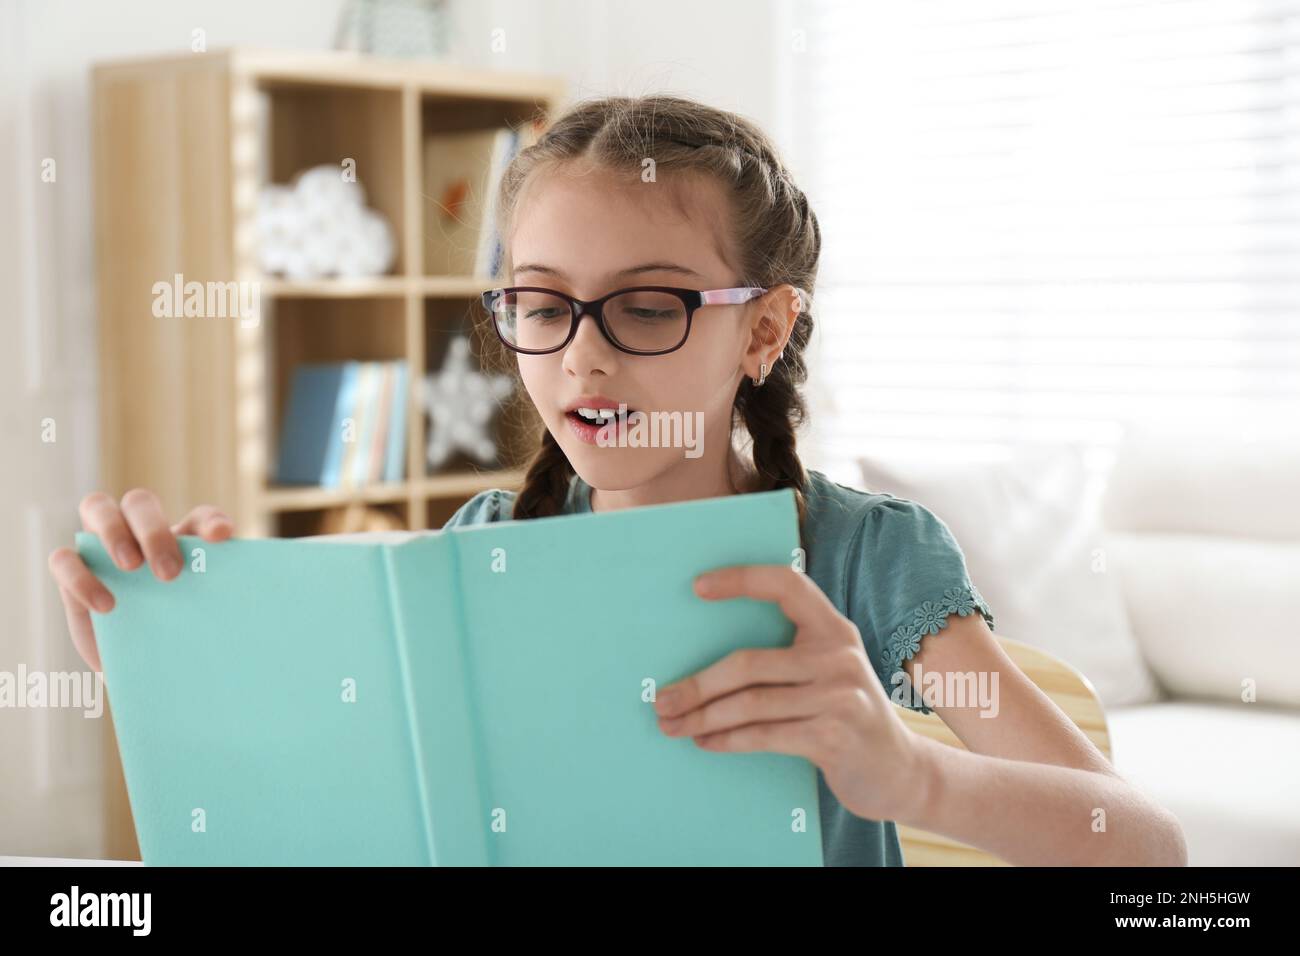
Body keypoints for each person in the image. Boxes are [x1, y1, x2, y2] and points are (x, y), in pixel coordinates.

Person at [49, 93, 1186, 867]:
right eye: (542, 305)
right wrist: (177, 666)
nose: (582, 355)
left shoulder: (864, 554)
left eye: (647, 306)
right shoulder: (482, 545)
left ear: (763, 331)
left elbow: (1145, 845)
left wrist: (911, 776)